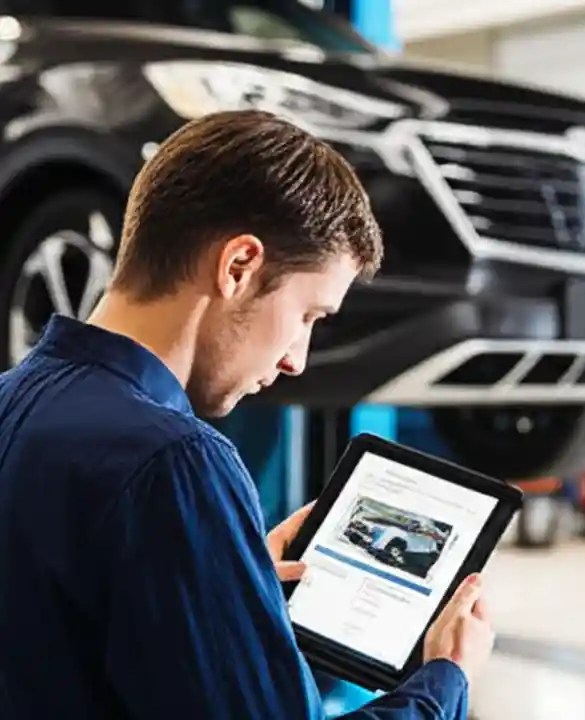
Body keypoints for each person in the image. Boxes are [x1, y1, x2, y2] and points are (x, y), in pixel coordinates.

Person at [0, 110, 493, 718]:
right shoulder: (173, 460)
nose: (297, 360)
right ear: (239, 266)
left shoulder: (10, 402)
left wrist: (227, 586)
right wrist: (444, 680)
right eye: (308, 315)